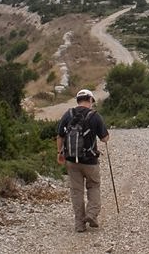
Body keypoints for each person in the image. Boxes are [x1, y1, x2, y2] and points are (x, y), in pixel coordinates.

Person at [57, 88, 110, 232]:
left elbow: (60, 136)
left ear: (78, 100)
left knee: (76, 191)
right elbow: (104, 138)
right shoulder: (95, 116)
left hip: (72, 161)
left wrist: (60, 152)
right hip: (90, 161)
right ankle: (92, 214)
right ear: (91, 100)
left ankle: (79, 224)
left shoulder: (68, 114)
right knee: (93, 186)